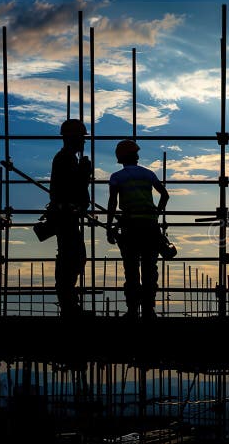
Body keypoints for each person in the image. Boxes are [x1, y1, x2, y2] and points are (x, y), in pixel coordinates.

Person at [106, 139, 169, 320]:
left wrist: (110, 227)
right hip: (150, 227)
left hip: (130, 227)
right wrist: (156, 212)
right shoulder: (148, 174)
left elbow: (112, 204)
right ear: (136, 155)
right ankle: (149, 310)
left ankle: (133, 310)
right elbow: (164, 195)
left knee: (131, 269)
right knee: (150, 269)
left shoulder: (117, 177)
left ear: (120, 157)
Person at [49, 119, 92, 317]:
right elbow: (72, 188)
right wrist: (84, 174)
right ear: (73, 138)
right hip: (66, 215)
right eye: (82, 137)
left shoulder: (66, 158)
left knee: (73, 258)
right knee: (71, 259)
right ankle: (69, 305)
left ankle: (69, 303)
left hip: (67, 214)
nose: (84, 141)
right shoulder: (65, 158)